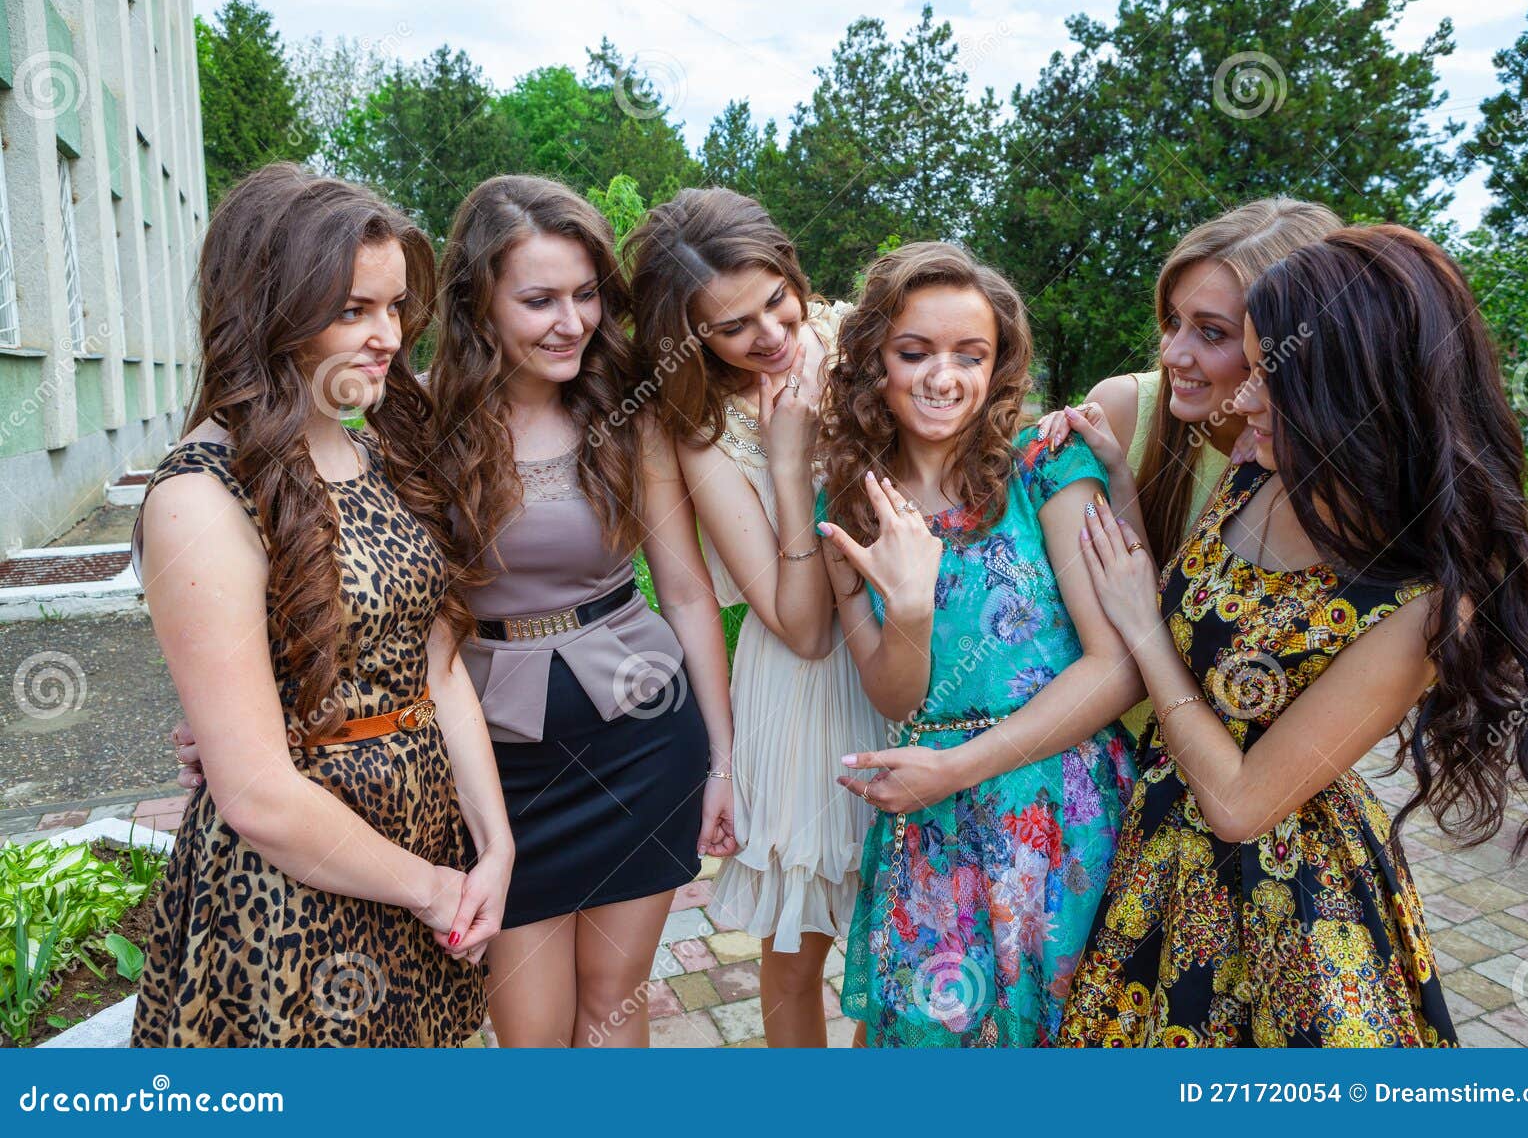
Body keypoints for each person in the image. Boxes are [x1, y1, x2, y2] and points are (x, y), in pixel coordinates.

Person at [1061, 224, 1528, 1047]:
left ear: (1353, 395)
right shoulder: (1262, 468)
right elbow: (1204, 617)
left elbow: (1239, 803)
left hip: (1284, 899)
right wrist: (1118, 479)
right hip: (1152, 850)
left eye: (1268, 376)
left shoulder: (1425, 603)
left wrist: (1144, 633)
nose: (1244, 399)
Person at [133, 163, 511, 1047]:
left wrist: (493, 848)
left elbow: (439, 668)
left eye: (393, 307)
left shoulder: (372, 441)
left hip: (426, 852)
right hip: (299, 894)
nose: (387, 335)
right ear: (267, 310)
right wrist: (433, 889)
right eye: (353, 310)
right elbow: (259, 791)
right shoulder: (201, 495)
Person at [428, 175, 736, 1048]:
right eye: (539, 299)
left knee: (611, 1007)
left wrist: (721, 759)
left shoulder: (625, 408)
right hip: (499, 765)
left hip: (642, 740)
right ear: (476, 303)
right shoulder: (419, 419)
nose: (573, 321)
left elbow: (683, 590)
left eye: (587, 294)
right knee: (531, 1033)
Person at [815, 242, 1144, 1046]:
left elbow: (1118, 665)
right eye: (914, 352)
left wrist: (959, 767)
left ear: (997, 367)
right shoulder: (850, 505)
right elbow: (893, 696)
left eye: (971, 354)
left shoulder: (1045, 466)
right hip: (937, 821)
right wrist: (913, 611)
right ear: (873, 362)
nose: (942, 376)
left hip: (1061, 806)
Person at [622, 188, 883, 1047]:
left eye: (776, 299)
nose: (770, 334)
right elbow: (800, 626)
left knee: (924, 920)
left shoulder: (867, 338)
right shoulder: (695, 425)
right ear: (689, 337)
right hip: (801, 686)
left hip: (919, 653)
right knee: (797, 951)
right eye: (734, 326)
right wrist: (787, 463)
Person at [1038, 198, 1343, 739]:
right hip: (1102, 756)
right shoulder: (1124, 412)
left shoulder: (1320, 476)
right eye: (1173, 321)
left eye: (1212, 333)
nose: (1173, 353)